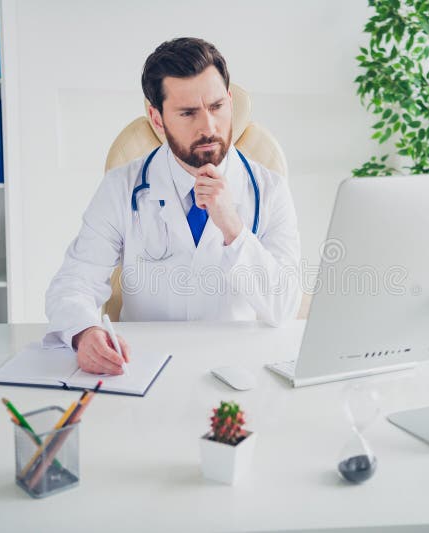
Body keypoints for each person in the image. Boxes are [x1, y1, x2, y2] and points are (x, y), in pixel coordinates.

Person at [44, 37, 302, 375]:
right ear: (157, 118)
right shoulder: (122, 187)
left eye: (217, 107)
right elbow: (74, 281)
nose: (208, 127)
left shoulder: (270, 190)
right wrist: (84, 332)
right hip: (144, 368)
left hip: (236, 370)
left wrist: (232, 227)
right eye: (188, 113)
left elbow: (283, 307)